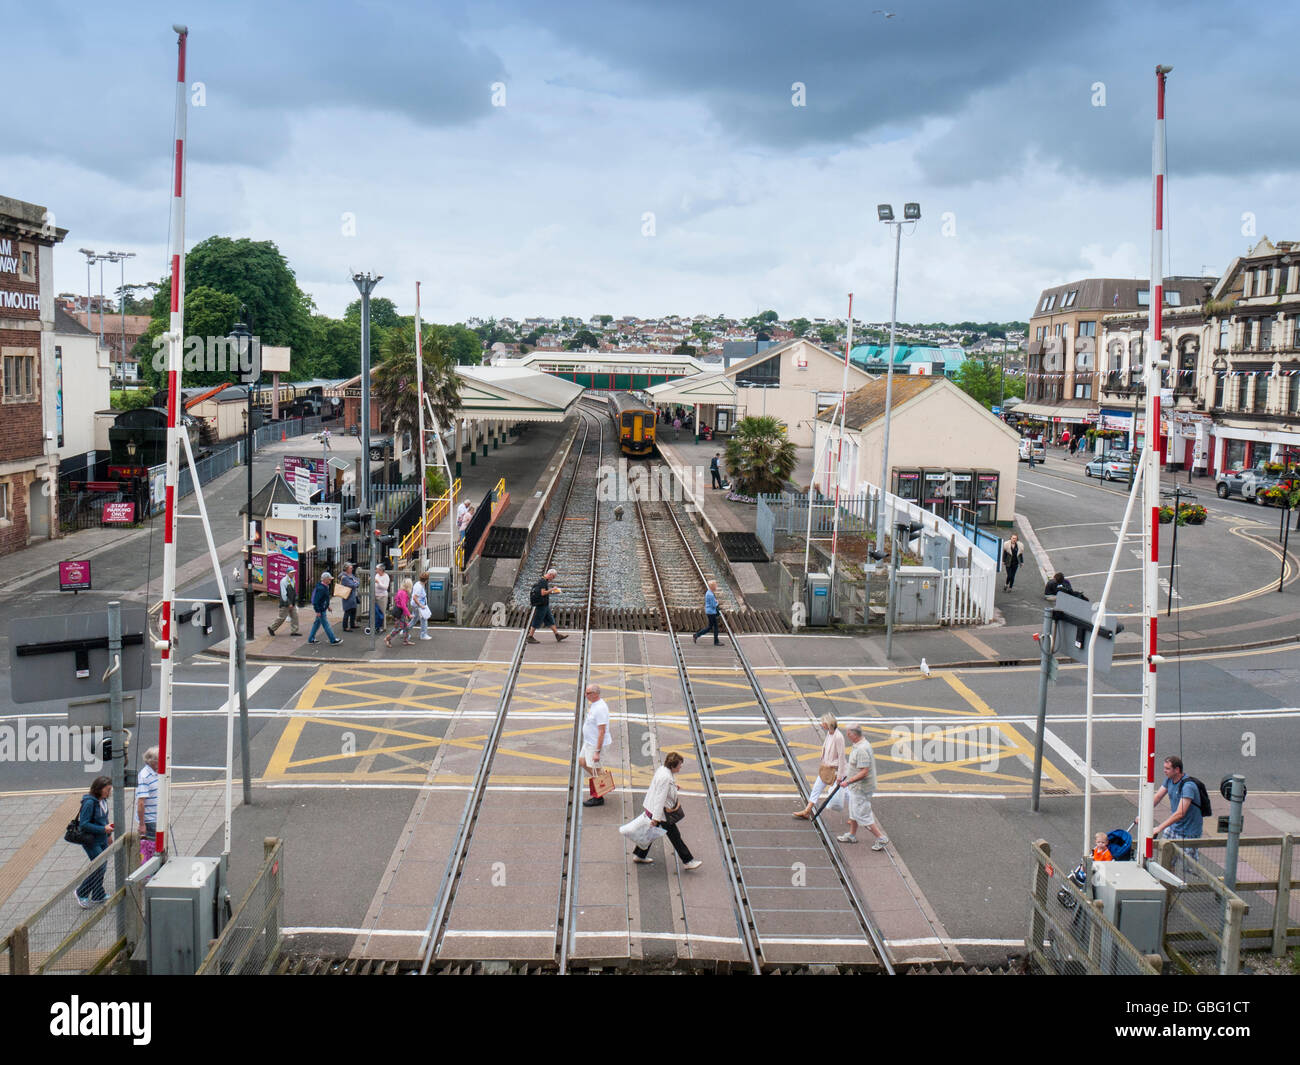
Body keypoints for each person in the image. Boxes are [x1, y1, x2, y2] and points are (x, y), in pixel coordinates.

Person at [631, 752, 702, 870]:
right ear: (673, 766)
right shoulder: (666, 777)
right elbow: (660, 799)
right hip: (662, 813)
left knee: (650, 834)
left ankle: (639, 854)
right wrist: (656, 818)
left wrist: (674, 786)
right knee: (675, 837)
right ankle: (688, 861)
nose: (681, 767)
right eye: (679, 765)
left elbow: (661, 789)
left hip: (654, 809)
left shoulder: (663, 770)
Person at [837, 724, 889, 849]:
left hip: (861, 788)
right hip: (856, 787)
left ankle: (881, 838)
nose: (848, 736)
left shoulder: (861, 749)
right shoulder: (861, 744)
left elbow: (864, 771)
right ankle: (851, 834)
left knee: (862, 814)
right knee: (854, 810)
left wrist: (848, 782)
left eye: (849, 734)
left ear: (854, 735)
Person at [794, 713, 847, 820]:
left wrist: (840, 776)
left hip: (835, 770)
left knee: (847, 795)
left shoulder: (838, 737)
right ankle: (807, 811)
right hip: (826, 768)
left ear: (828, 724)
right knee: (816, 789)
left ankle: (856, 816)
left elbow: (841, 757)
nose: (821, 724)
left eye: (823, 723)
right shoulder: (830, 733)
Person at [1152, 755, 1204, 860]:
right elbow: (1157, 797)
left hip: (1189, 832)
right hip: (1174, 828)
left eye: (1167, 768)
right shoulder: (1169, 780)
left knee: (1190, 867)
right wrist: (1143, 813)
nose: (1164, 771)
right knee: (1165, 860)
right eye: (1164, 768)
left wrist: (1159, 828)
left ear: (1177, 770)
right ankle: (1167, 874)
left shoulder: (1188, 786)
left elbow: (1180, 813)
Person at [75, 776, 114, 907]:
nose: (109, 792)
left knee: (102, 867)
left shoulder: (103, 801)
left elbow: (104, 818)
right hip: (91, 841)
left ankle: (98, 894)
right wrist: (103, 829)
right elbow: (84, 824)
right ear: (99, 788)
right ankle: (81, 893)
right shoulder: (89, 803)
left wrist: (108, 834)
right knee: (99, 867)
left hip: (102, 838)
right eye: (107, 789)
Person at [579, 683, 613, 807]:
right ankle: (602, 778)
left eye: (588, 693)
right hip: (589, 742)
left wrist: (597, 751)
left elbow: (602, 731)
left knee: (595, 770)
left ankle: (598, 797)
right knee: (582, 762)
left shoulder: (600, 709)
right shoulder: (595, 705)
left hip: (595, 745)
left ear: (595, 694)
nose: (585, 695)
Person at [526, 568, 568, 644]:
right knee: (537, 619)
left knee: (550, 620)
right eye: (553, 577)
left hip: (544, 604)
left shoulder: (544, 581)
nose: (553, 579)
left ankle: (557, 635)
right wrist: (552, 590)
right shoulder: (543, 581)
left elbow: (544, 592)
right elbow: (543, 593)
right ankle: (530, 636)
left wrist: (553, 592)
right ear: (550, 574)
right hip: (542, 605)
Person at [136, 747, 159, 863]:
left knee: (159, 847)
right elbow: (141, 803)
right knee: (153, 849)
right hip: (150, 821)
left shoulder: (156, 773)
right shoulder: (144, 776)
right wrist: (142, 824)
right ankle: (151, 874)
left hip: (157, 818)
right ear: (153, 761)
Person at [307, 571, 342, 645]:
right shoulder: (322, 589)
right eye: (329, 579)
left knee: (316, 624)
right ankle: (333, 640)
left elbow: (323, 599)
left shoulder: (323, 586)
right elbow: (316, 601)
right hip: (321, 610)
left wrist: (328, 606)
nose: (330, 580)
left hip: (321, 608)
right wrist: (318, 611)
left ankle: (311, 639)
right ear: (325, 579)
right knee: (326, 625)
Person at [266, 568, 300, 636]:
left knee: (295, 616)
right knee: (282, 618)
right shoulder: (283, 581)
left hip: (292, 602)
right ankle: (272, 628)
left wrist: (295, 599)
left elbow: (294, 590)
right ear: (287, 573)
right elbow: (284, 594)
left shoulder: (292, 579)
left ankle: (294, 631)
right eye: (291, 573)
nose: (293, 574)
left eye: (294, 572)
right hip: (285, 603)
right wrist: (289, 603)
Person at [385, 577, 415, 647]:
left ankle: (406, 640)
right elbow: (403, 605)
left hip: (400, 612)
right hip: (401, 613)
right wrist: (409, 614)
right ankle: (387, 639)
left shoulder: (401, 591)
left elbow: (396, 599)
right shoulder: (404, 593)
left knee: (406, 627)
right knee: (399, 628)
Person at [692, 579, 721, 645]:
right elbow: (713, 605)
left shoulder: (709, 592)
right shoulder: (710, 594)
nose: (716, 586)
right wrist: (717, 603)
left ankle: (696, 635)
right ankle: (716, 642)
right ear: (712, 586)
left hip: (709, 612)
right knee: (715, 627)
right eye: (715, 585)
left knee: (709, 627)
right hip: (711, 612)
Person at [339, 563, 360, 632]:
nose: (352, 569)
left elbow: (357, 580)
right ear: (346, 569)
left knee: (353, 610)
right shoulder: (344, 577)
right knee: (347, 611)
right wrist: (356, 583)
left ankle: (352, 624)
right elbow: (352, 585)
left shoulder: (350, 575)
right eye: (350, 568)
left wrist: (356, 582)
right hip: (348, 596)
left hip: (352, 595)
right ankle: (345, 627)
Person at [413, 570, 432, 640]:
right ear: (426, 580)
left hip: (417, 605)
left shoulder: (418, 584)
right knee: (424, 619)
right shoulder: (420, 587)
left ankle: (404, 630)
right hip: (419, 605)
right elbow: (414, 597)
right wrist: (420, 605)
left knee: (414, 620)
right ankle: (423, 635)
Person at [373, 562, 391, 633]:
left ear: (381, 570)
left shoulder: (386, 576)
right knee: (376, 612)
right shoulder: (377, 575)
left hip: (382, 596)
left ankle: (383, 626)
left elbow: (385, 587)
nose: (376, 570)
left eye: (377, 569)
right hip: (375, 595)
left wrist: (378, 583)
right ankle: (376, 626)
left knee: (382, 611)